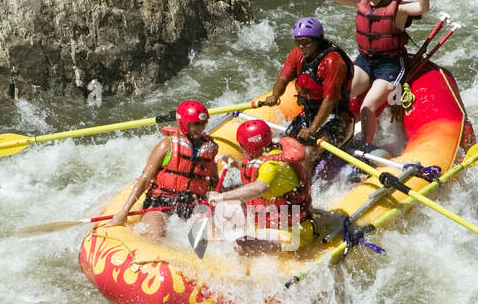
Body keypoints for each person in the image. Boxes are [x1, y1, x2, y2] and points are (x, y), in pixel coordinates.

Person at [318, 0, 429, 145]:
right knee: (337, 95)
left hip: (391, 65)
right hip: (365, 61)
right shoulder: (362, 0)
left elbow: (423, 7)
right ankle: (330, 132)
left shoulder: (399, 8)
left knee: (367, 107)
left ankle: (364, 147)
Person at [104, 100, 217, 236]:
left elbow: (213, 181)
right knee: (156, 234)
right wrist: (125, 211)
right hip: (160, 205)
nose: (201, 128)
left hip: (192, 206)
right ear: (184, 123)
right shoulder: (166, 145)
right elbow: (145, 179)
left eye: (203, 123)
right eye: (196, 124)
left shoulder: (210, 148)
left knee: (209, 236)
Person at [208, 119, 314, 255]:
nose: (241, 148)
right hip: (270, 226)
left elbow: (260, 187)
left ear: (250, 146)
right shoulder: (265, 155)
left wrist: (221, 196)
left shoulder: (272, 165)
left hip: (293, 233)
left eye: (241, 145)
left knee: (242, 244)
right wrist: (234, 162)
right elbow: (253, 169)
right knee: (225, 208)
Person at [260, 17, 353, 167]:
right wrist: (275, 95)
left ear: (318, 40)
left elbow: (330, 100)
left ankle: (304, 188)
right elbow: (283, 79)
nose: (302, 47)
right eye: (298, 42)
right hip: (309, 113)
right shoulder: (296, 55)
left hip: (338, 117)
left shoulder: (332, 62)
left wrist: (312, 129)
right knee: (283, 146)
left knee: (307, 152)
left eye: (306, 42)